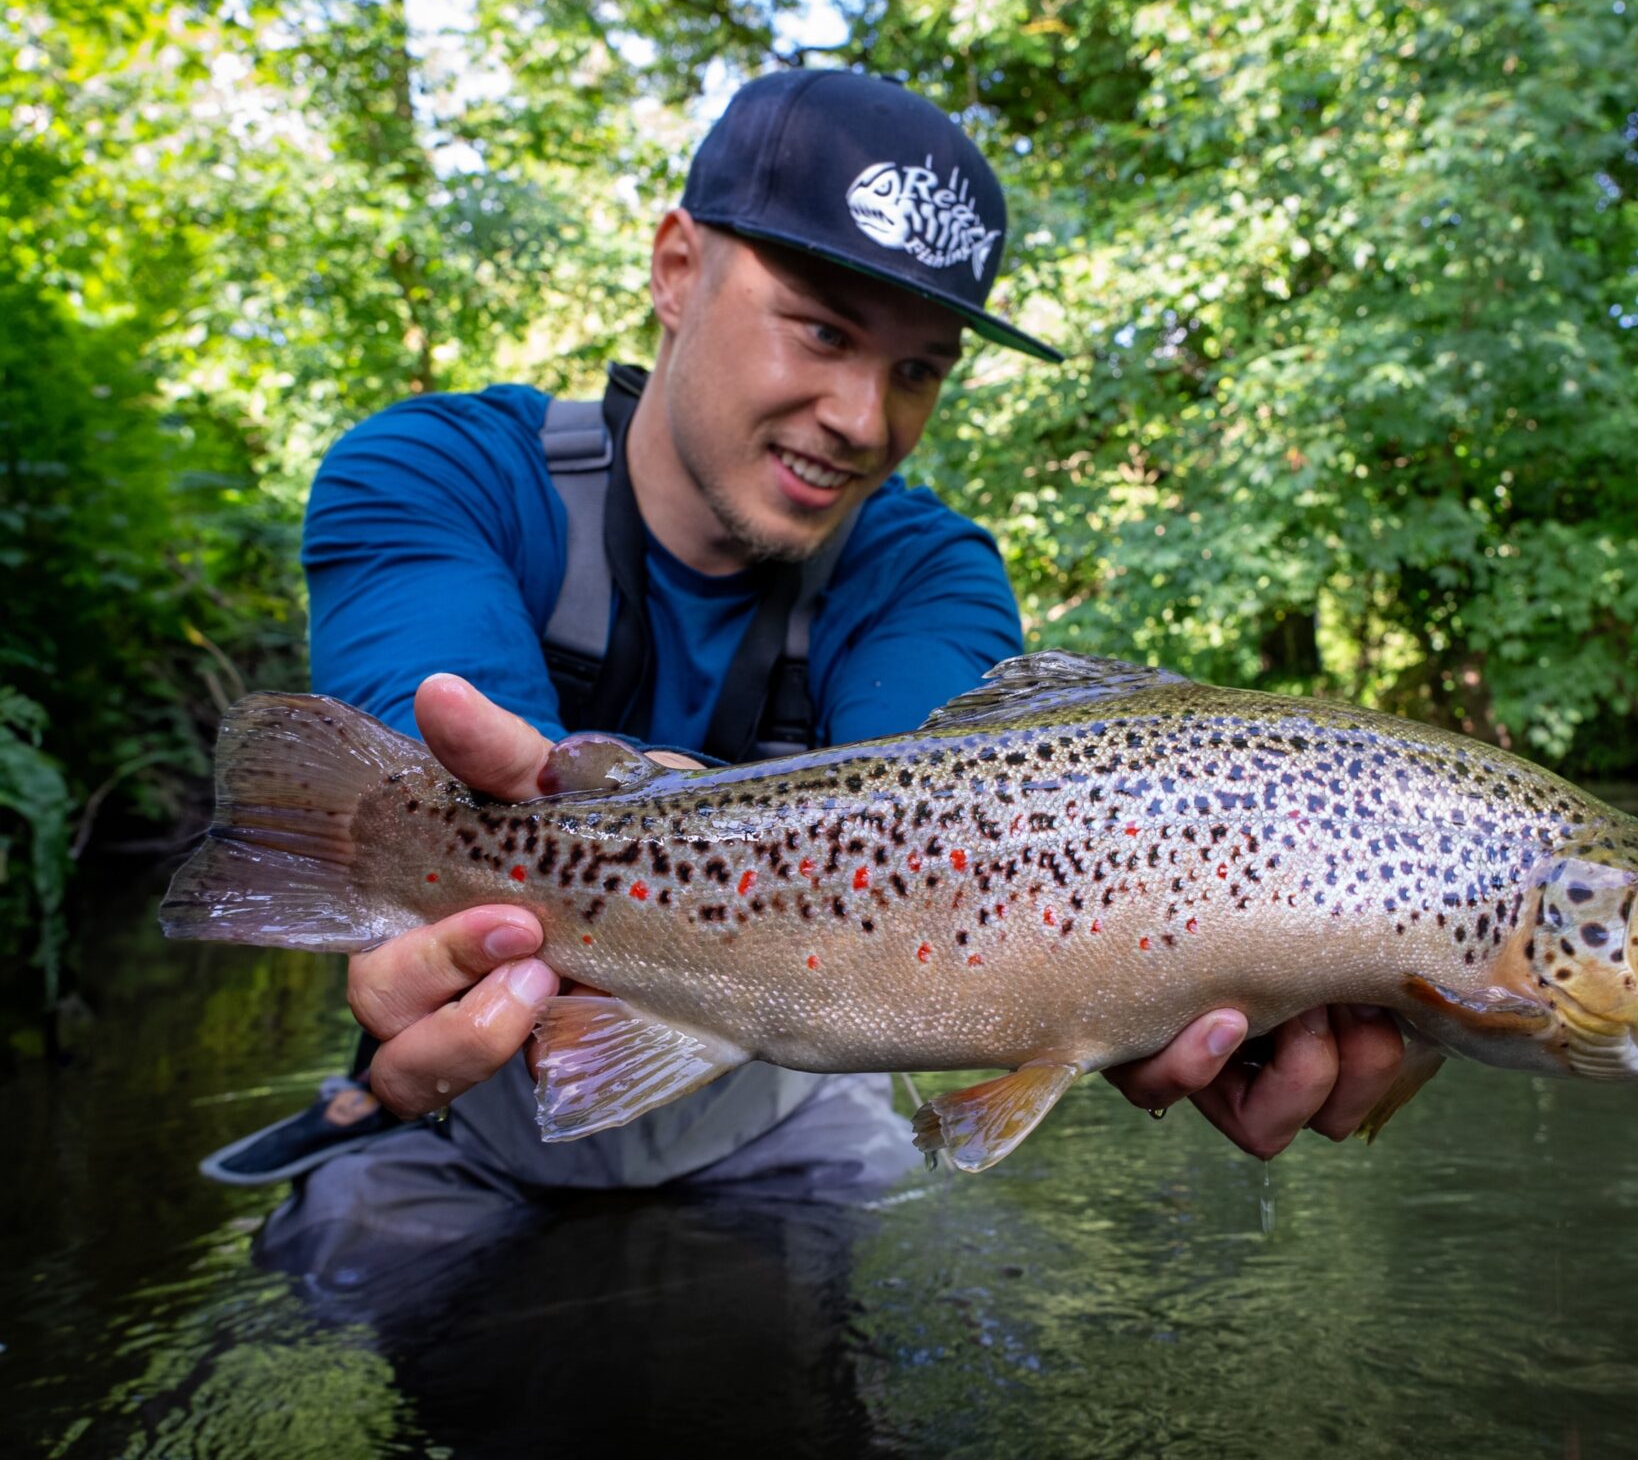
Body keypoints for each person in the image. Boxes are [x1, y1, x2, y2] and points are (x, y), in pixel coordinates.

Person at [207, 69, 1404, 1278]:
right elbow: (419, 764)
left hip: (784, 1114)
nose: (861, 417)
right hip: (450, 1115)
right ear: (676, 267)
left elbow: (960, 821)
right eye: (823, 329)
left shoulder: (926, 570)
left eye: (916, 369)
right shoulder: (435, 472)